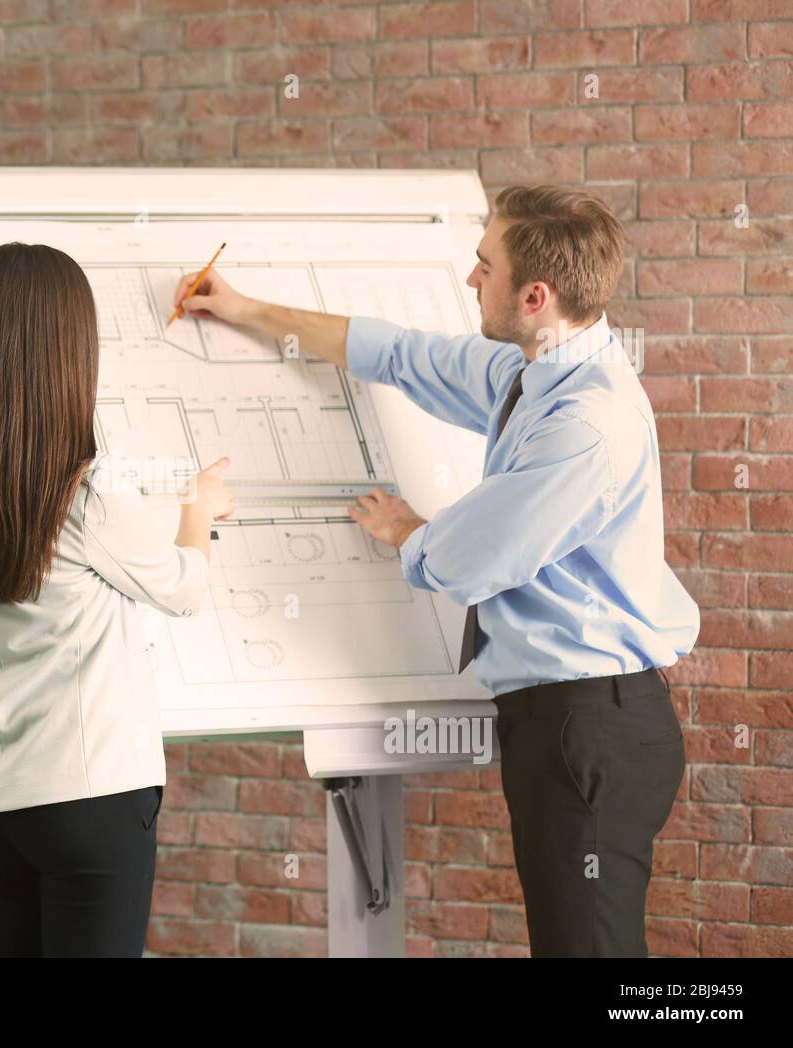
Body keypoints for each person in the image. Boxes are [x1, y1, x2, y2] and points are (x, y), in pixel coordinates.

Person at [171, 184, 700, 958]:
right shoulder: (532, 372)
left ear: (535, 294)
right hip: (570, 721)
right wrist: (249, 310)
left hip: (588, 728)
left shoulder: (586, 422)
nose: (468, 278)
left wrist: (408, 530)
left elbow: (473, 558)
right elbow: (397, 353)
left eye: (483, 265)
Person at [0, 242, 234, 957]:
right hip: (89, 802)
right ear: (72, 354)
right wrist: (200, 508)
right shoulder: (89, 492)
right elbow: (186, 589)